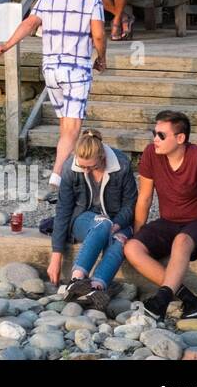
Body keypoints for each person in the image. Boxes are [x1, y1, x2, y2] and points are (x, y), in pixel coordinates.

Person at [0, 0, 106, 188]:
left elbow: (29, 24)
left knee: (66, 124)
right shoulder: (92, 0)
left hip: (51, 70)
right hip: (76, 69)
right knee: (73, 127)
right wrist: (101, 58)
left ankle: (72, 169)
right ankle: (57, 175)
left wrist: (6, 45)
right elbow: (99, 35)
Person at [124, 110, 197, 321]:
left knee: (181, 241)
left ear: (180, 138)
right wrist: (139, 235)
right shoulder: (150, 154)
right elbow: (144, 199)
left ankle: (160, 302)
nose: (155, 139)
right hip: (169, 222)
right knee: (132, 248)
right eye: (154, 133)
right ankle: (191, 300)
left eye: (161, 135)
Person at [48, 129, 138, 311]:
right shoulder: (70, 168)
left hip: (118, 221)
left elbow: (130, 204)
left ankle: (96, 289)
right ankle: (77, 281)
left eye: (91, 167)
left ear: (102, 156)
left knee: (120, 241)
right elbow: (63, 210)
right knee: (102, 223)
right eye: (82, 167)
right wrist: (56, 255)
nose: (86, 170)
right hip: (85, 220)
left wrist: (118, 224)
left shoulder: (121, 165)